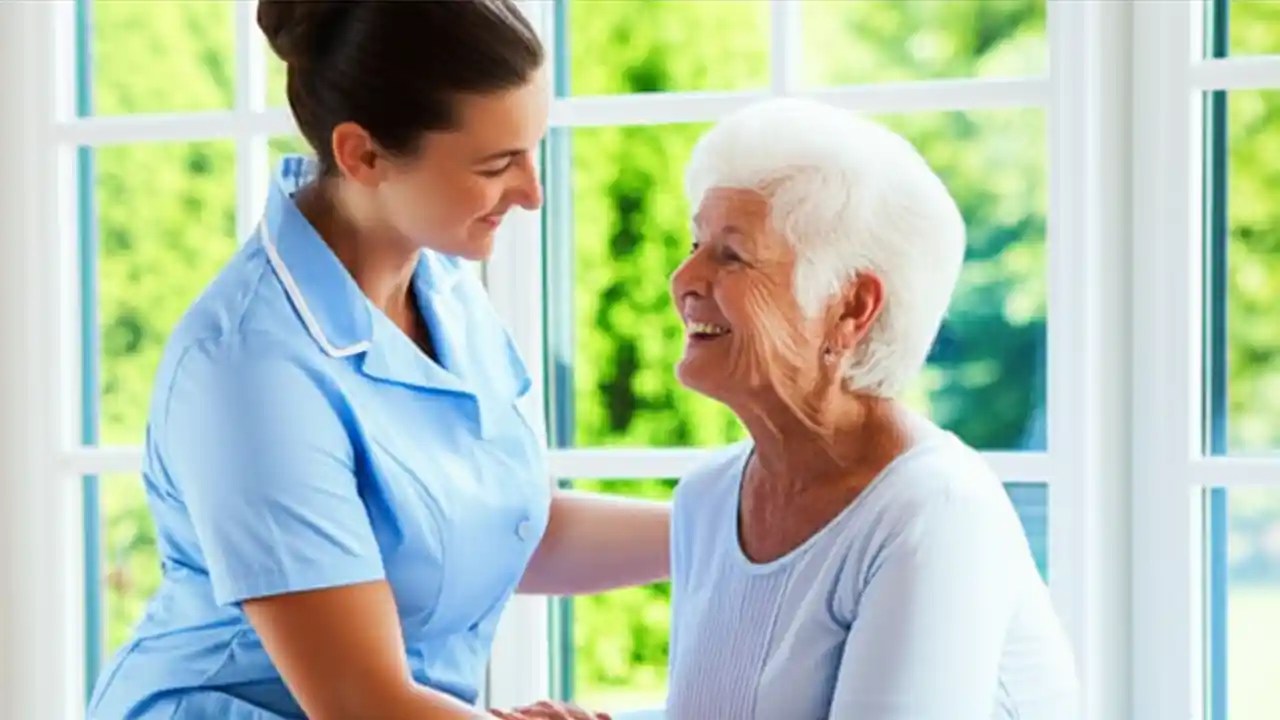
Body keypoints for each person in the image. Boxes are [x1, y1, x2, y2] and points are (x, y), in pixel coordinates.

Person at [87, 2, 667, 718]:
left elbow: (506, 526)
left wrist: (737, 530)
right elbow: (362, 701)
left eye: (531, 150)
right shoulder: (249, 371)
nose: (531, 192)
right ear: (363, 154)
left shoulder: (444, 286)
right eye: (495, 165)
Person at [663, 98, 1080, 719]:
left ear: (851, 307)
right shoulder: (706, 501)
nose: (684, 279)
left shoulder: (933, 510)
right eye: (696, 243)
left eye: (731, 255)